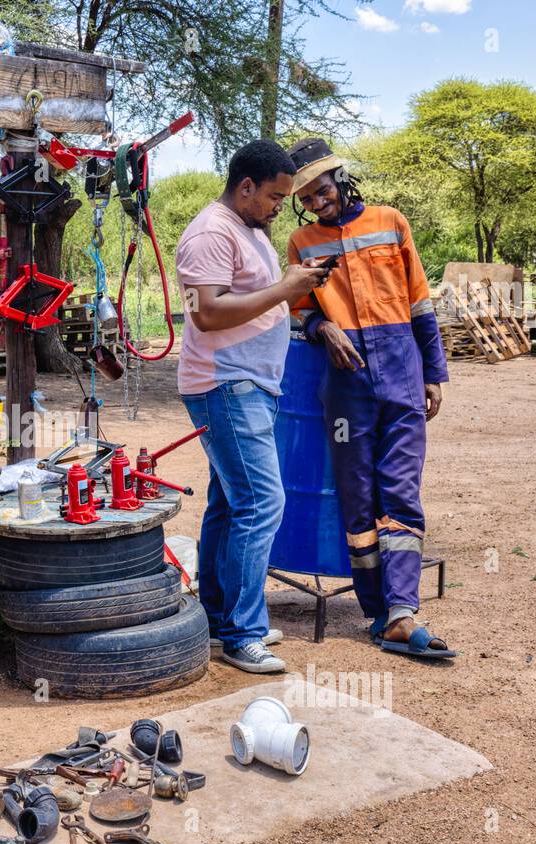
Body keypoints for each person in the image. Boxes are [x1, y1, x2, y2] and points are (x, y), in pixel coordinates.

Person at [285, 137, 456, 659]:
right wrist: (321, 329)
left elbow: (420, 302)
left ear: (339, 178)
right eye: (306, 198)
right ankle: (378, 613)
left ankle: (403, 610)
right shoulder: (300, 242)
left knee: (401, 492)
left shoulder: (391, 221)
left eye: (321, 190)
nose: (317, 202)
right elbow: (295, 309)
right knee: (357, 498)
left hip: (402, 372)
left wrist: (433, 373)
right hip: (345, 382)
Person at [176, 139, 332, 674]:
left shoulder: (249, 231)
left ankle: (221, 620)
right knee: (263, 503)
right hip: (225, 384)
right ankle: (243, 632)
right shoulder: (209, 233)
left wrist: (295, 287)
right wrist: (287, 288)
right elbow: (207, 314)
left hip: (250, 385)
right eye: (273, 196)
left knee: (230, 503)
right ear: (245, 187)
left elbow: (253, 300)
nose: (278, 207)